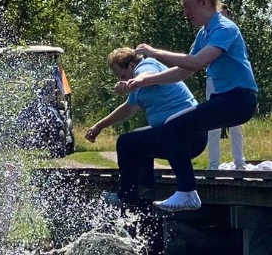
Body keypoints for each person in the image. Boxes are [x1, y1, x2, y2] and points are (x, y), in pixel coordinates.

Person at [118, 0, 260, 212]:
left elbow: (197, 61)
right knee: (173, 128)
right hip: (225, 100)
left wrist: (154, 52)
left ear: (204, 2)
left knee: (174, 126)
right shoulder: (205, 34)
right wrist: (147, 80)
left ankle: (187, 191)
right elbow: (184, 71)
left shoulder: (225, 28)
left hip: (240, 99)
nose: (185, 13)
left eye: (188, 7)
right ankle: (181, 189)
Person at [85, 47, 200, 206]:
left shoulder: (146, 66)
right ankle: (142, 185)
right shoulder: (138, 86)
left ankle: (127, 196)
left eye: (123, 75)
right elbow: (128, 108)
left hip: (188, 135)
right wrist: (99, 126)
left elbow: (148, 75)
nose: (124, 79)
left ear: (132, 66)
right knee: (137, 138)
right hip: (177, 137)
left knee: (127, 143)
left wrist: (134, 81)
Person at [207, 5, 247, 171]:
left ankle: (240, 163)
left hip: (231, 81)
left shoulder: (231, 32)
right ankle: (213, 165)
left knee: (235, 125)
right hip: (214, 80)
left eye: (223, 15)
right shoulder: (209, 34)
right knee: (213, 125)